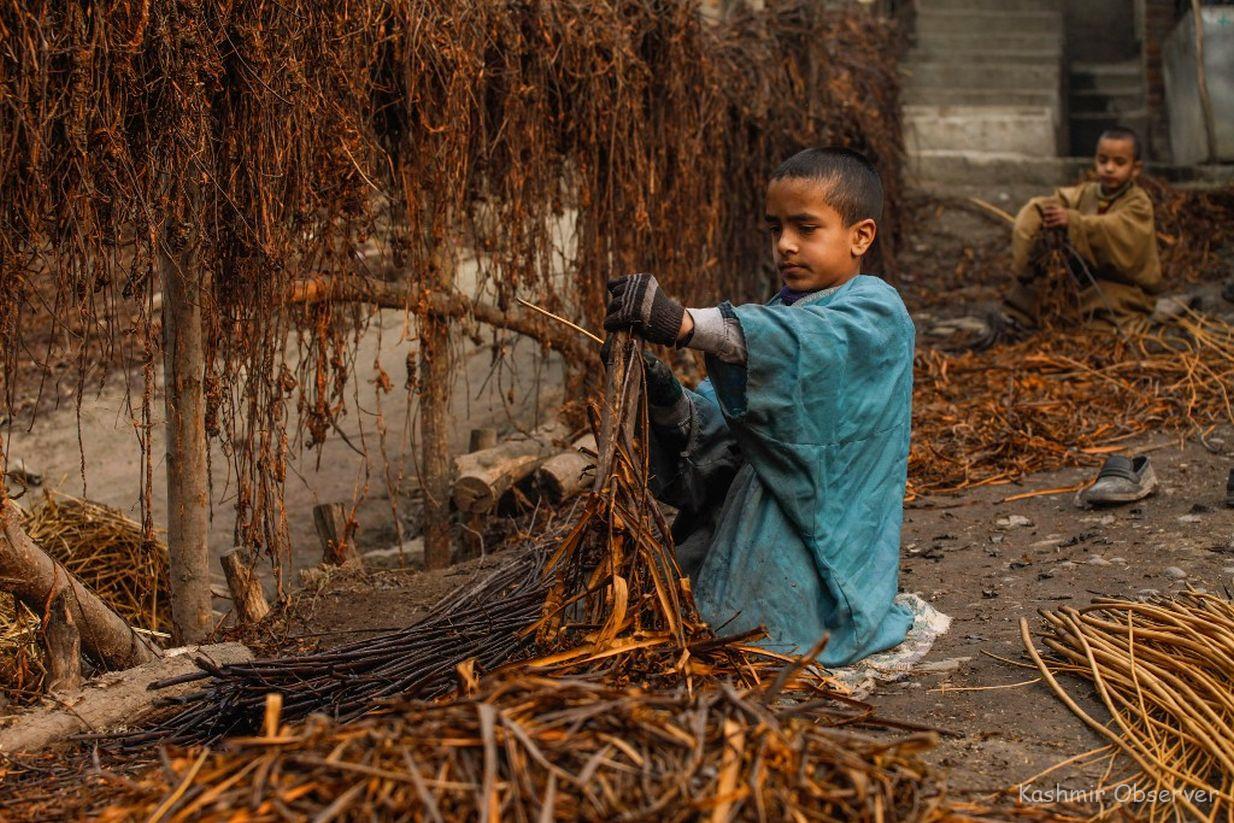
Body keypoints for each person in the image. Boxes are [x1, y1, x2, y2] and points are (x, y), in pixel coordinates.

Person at [601, 147, 914, 666]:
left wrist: (683, 324)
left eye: (806, 228)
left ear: (861, 236)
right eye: (775, 230)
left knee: (752, 632)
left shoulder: (877, 311)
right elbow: (722, 434)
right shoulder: (777, 312)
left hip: (823, 534)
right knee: (674, 605)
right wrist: (665, 400)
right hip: (747, 519)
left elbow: (806, 343)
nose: (786, 245)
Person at [989, 126, 1164, 342]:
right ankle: (1018, 322)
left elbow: (1118, 228)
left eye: (1119, 162)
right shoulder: (1087, 192)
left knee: (1105, 302)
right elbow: (1061, 199)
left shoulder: (1138, 202)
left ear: (1135, 169)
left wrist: (1074, 221)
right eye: (1102, 160)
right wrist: (1042, 210)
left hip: (1121, 285)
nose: (1109, 168)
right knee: (1030, 293)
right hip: (1083, 282)